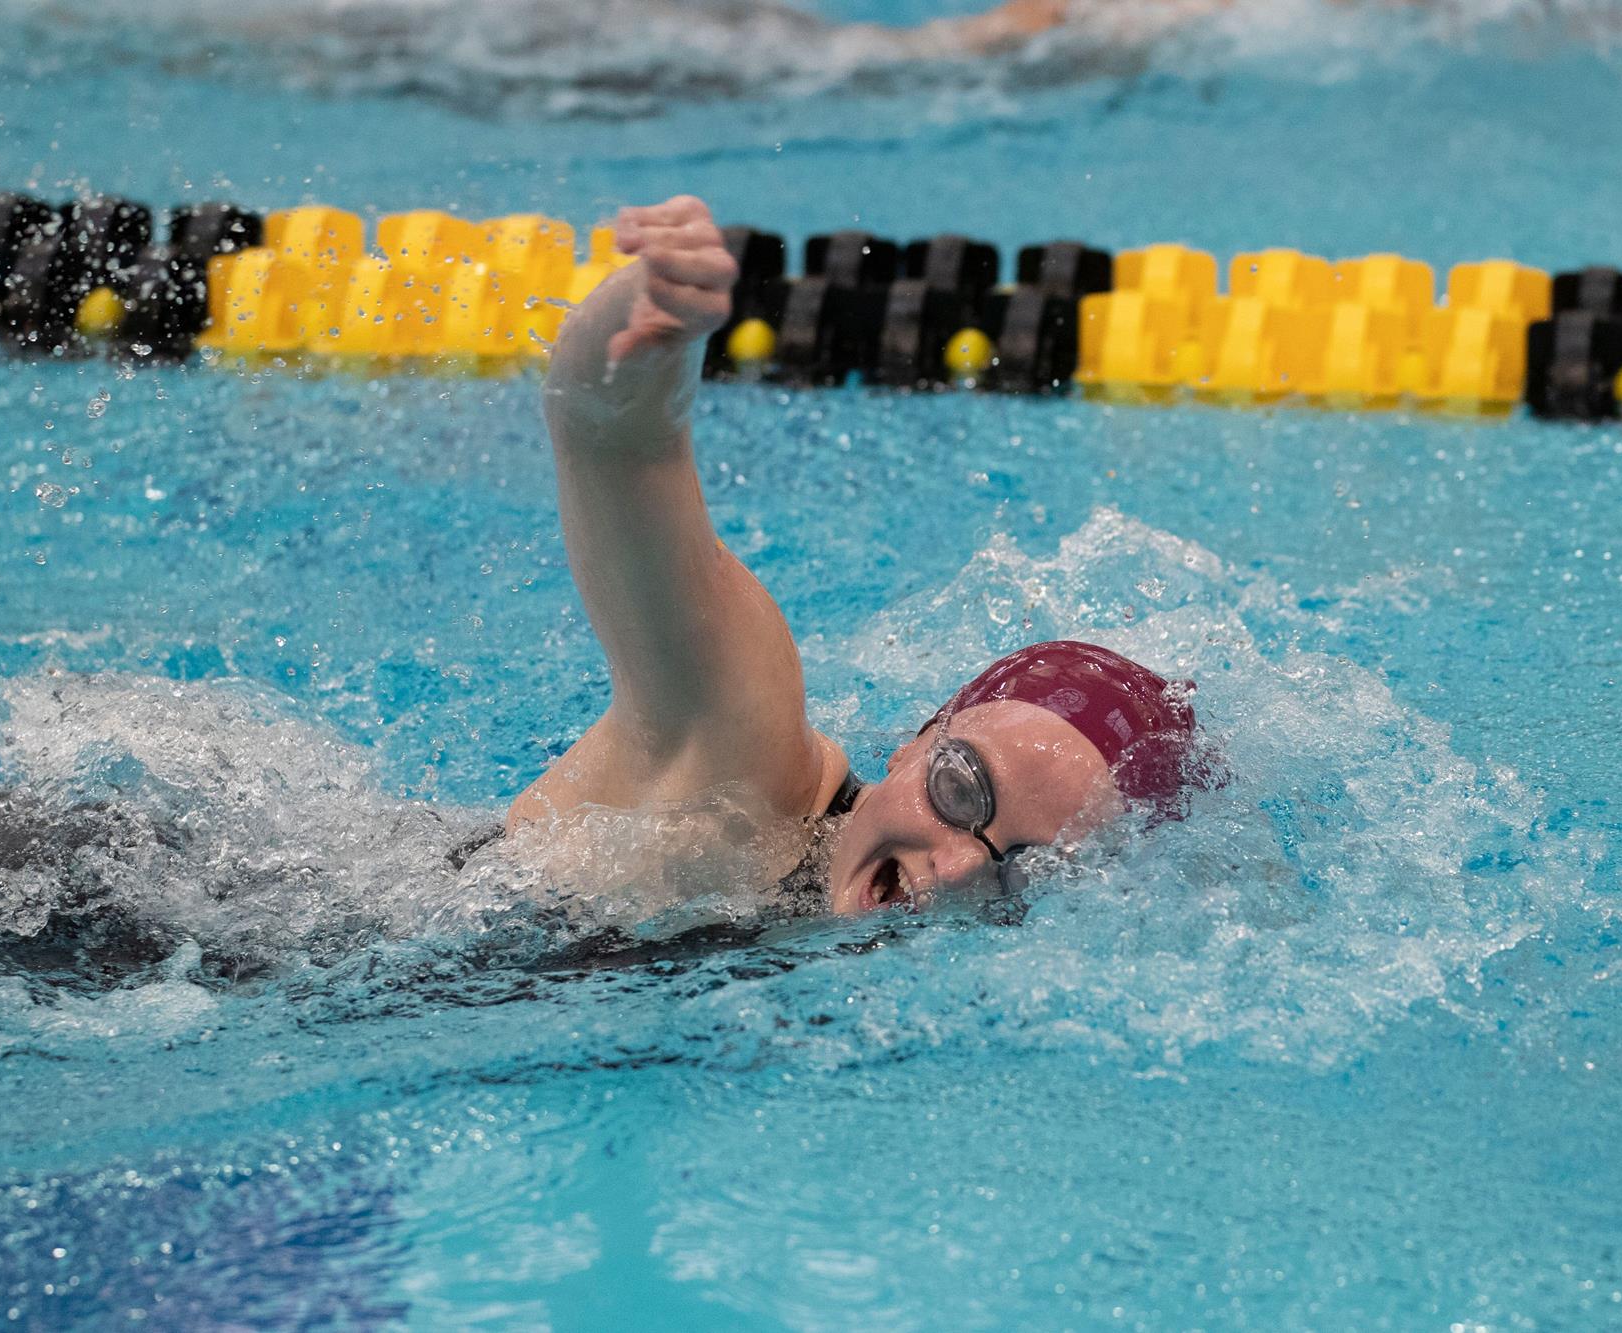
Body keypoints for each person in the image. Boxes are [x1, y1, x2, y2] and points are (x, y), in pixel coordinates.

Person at [501, 194, 1200, 916]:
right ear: (915, 741)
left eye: (1028, 872)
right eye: (960, 789)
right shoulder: (742, 766)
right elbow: (610, 436)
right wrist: (652, 320)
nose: (960, 868)